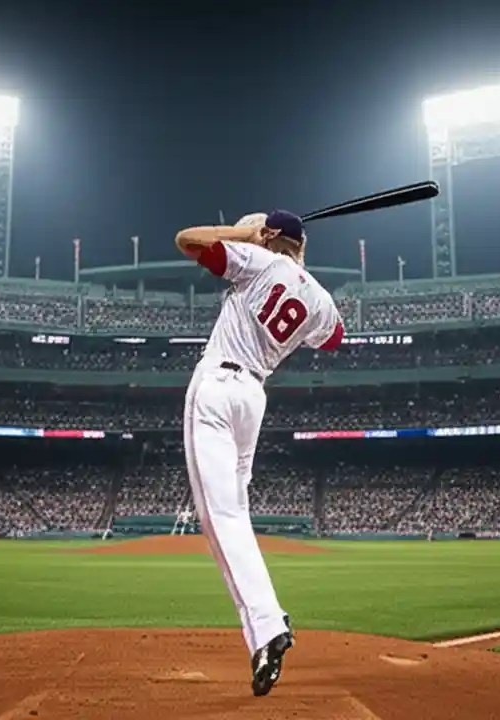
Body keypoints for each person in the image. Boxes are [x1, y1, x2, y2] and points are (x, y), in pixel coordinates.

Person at [174, 210, 344, 696]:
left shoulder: (257, 259)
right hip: (254, 399)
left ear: (270, 236)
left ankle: (268, 627)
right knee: (235, 516)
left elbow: (187, 238)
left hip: (217, 387)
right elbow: (335, 337)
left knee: (220, 517)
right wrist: (297, 271)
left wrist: (244, 235)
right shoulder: (318, 298)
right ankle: (263, 631)